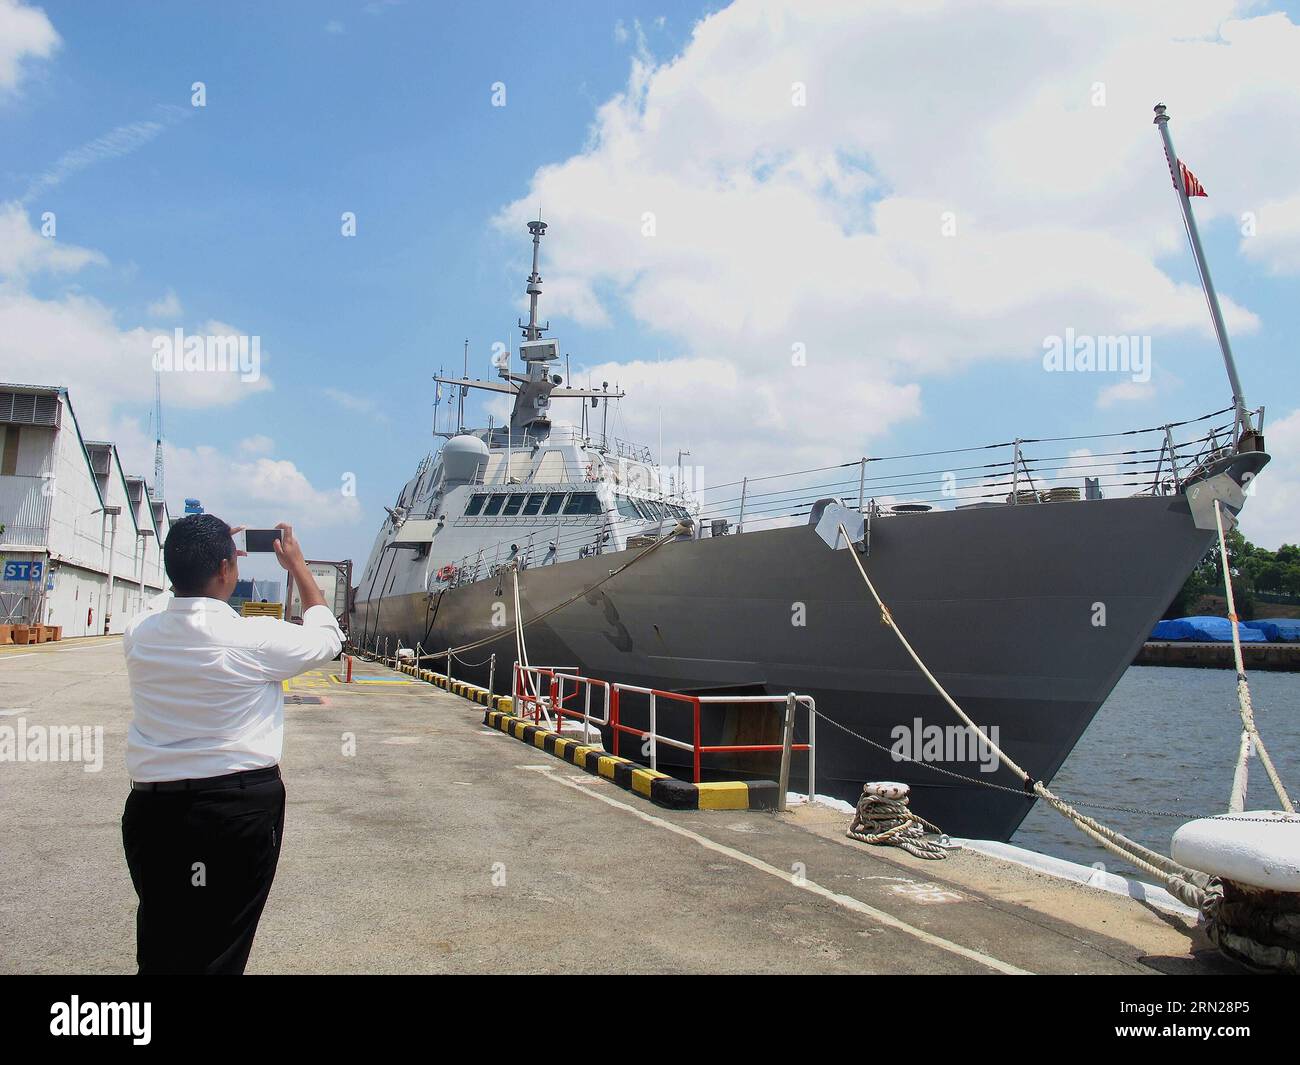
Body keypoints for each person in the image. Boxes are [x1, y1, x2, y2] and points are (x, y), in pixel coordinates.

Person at [120, 515, 342, 974]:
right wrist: (298, 565)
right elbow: (328, 639)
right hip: (235, 814)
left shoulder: (139, 634)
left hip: (153, 813)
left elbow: (169, 595)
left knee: (162, 945)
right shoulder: (253, 638)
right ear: (227, 569)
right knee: (220, 950)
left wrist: (192, 558)